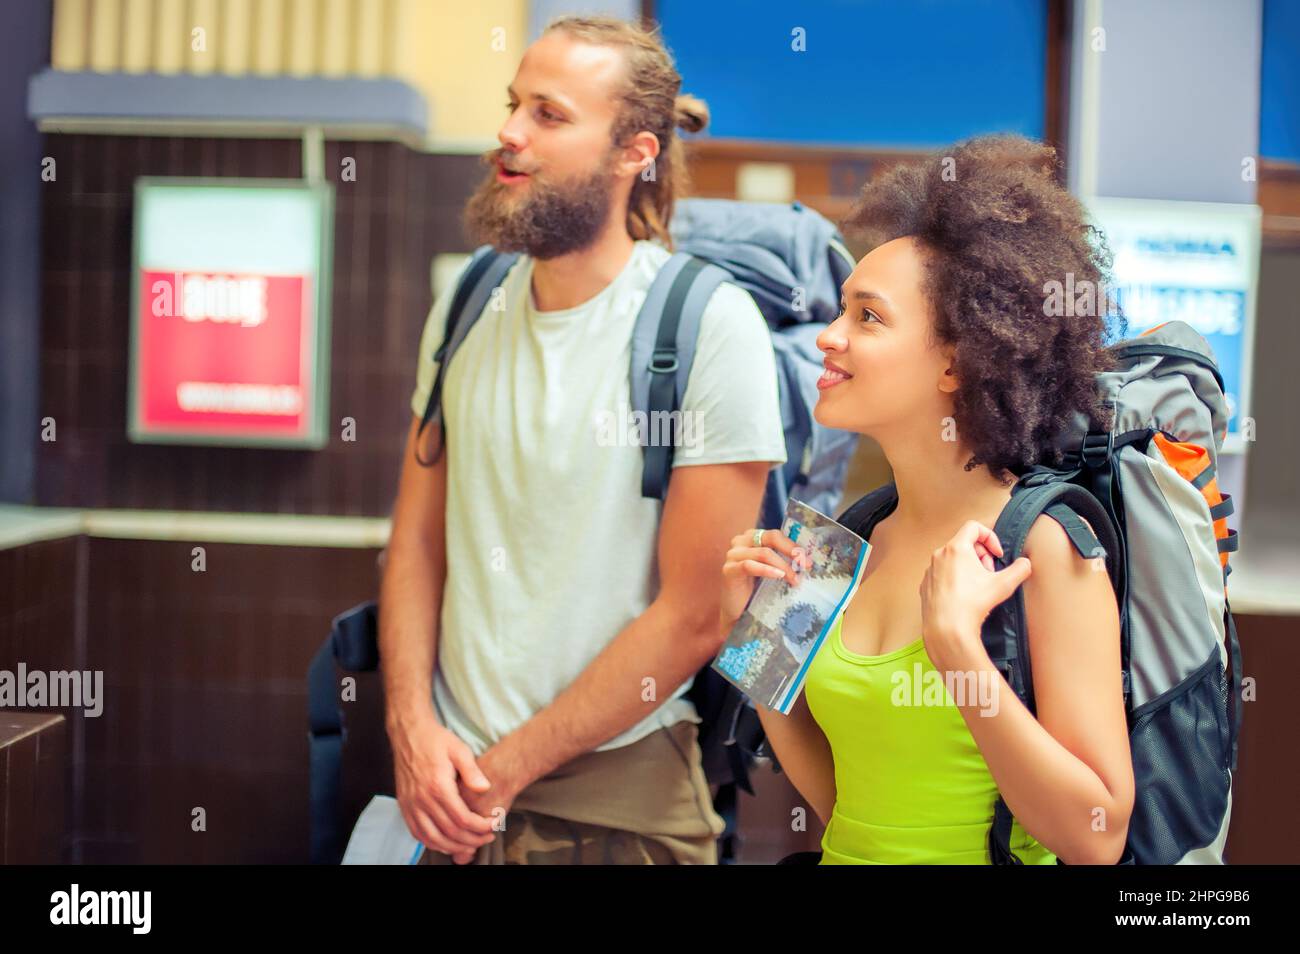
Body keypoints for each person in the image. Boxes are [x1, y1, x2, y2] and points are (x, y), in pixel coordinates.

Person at [381, 15, 787, 865]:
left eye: (548, 114)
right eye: (512, 104)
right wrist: (413, 729)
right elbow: (417, 542)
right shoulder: (468, 300)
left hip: (619, 809)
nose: (509, 132)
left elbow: (696, 614)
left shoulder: (709, 324)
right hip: (444, 794)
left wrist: (502, 773)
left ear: (634, 151)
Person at [720, 136, 1135, 865]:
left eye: (867, 318)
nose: (827, 337)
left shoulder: (1043, 546)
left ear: (956, 361)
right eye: (840, 310)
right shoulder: (839, 538)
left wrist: (956, 650)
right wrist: (750, 639)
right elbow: (844, 806)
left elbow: (1097, 837)